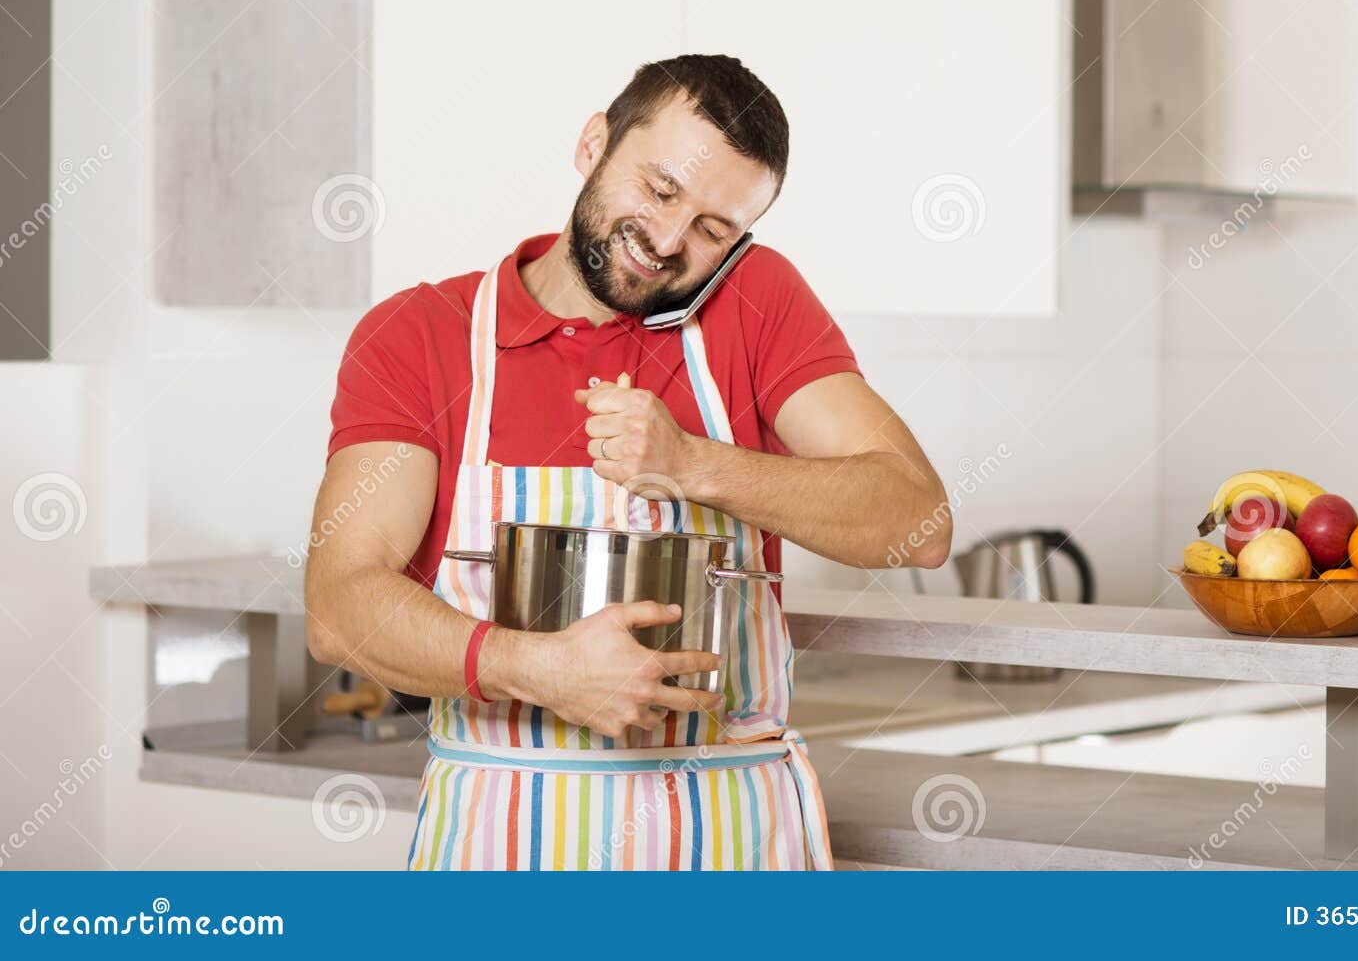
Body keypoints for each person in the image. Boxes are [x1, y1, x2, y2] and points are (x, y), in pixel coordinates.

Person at [305, 54, 952, 869]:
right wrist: (540, 669)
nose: (670, 241)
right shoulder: (424, 335)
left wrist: (693, 464)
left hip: (734, 844)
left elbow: (918, 523)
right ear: (593, 144)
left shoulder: (755, 305)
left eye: (715, 229)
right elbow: (339, 605)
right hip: (501, 842)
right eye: (660, 189)